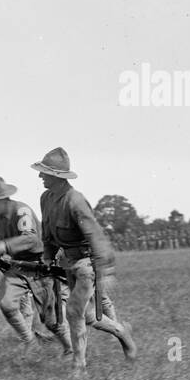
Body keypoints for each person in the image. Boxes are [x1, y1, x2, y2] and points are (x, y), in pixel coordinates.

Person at [31, 148, 137, 368]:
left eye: (44, 172)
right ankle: (123, 334)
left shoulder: (75, 201)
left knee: (72, 311)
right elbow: (48, 234)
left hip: (86, 264)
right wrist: (47, 259)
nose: (40, 176)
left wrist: (103, 273)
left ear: (57, 176)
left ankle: (79, 366)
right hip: (67, 263)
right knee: (88, 316)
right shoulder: (46, 198)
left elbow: (96, 238)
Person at [0, 175, 70, 354]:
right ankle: (30, 343)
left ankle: (69, 349)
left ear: (4, 200)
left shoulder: (21, 211)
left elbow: (31, 239)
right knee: (7, 305)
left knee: (51, 321)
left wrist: (1, 246)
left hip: (40, 266)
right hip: (18, 268)